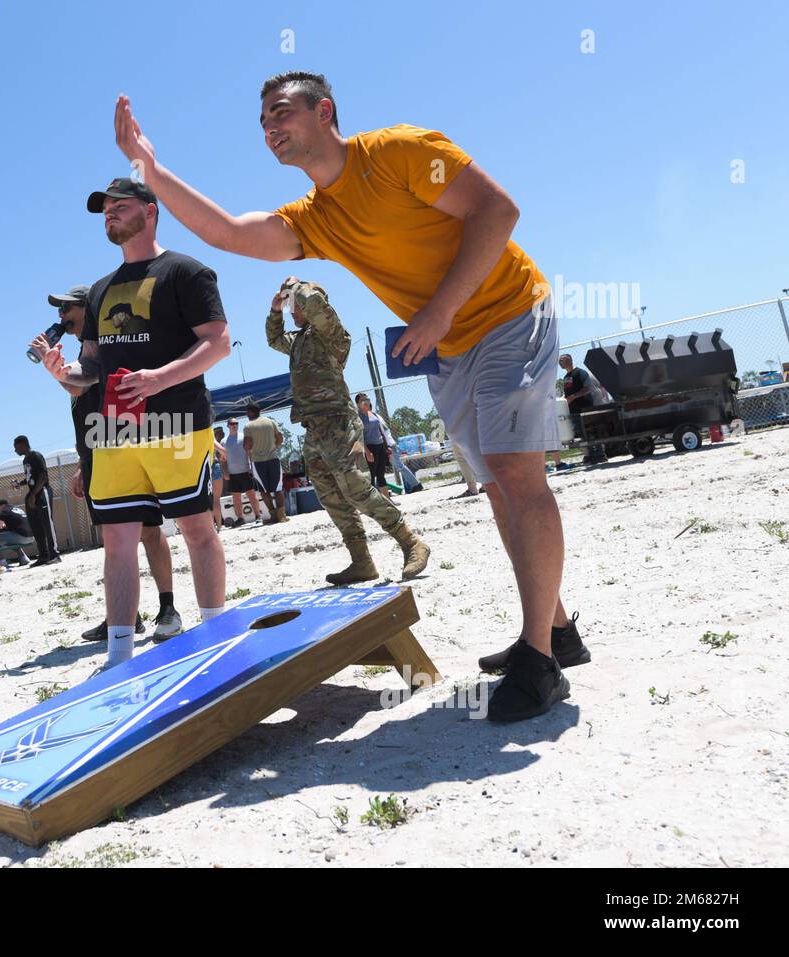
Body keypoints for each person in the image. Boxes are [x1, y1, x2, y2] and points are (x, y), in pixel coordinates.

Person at [113, 74, 584, 721]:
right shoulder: (318, 220)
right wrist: (150, 168)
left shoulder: (398, 152)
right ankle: (556, 630)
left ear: (324, 111)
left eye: (281, 112)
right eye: (261, 122)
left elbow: (498, 210)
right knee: (500, 486)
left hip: (506, 313)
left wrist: (440, 310)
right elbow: (227, 232)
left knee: (515, 473)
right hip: (446, 346)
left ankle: (539, 662)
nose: (269, 127)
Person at [36, 177, 230, 669]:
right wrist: (65, 373)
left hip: (179, 423)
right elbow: (93, 366)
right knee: (118, 540)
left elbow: (218, 344)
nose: (110, 214)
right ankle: (119, 655)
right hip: (115, 432)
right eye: (104, 209)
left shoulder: (186, 271)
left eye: (120, 206)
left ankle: (215, 637)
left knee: (196, 527)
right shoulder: (100, 290)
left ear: (151, 210)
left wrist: (159, 378)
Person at [32, 283, 184, 641]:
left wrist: (54, 369)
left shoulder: (109, 345)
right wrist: (84, 464)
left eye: (66, 309)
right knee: (115, 538)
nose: (60, 317)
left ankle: (167, 607)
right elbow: (77, 390)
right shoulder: (84, 353)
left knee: (148, 530)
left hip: (123, 449)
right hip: (97, 454)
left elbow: (81, 386)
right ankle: (124, 617)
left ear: (89, 308)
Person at [265, 279, 431, 581]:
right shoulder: (299, 341)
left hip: (339, 424)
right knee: (331, 496)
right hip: (313, 428)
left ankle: (411, 542)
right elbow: (274, 339)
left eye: (294, 306)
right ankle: (361, 562)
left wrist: (299, 285)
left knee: (356, 489)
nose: (292, 311)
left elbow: (316, 305)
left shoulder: (331, 333)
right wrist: (275, 310)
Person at [11, 436, 61, 566]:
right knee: (36, 526)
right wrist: (20, 484)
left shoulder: (36, 456)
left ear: (23, 444)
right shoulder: (26, 460)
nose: (15, 450)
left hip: (42, 492)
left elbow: (43, 477)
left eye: (16, 447)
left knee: (47, 524)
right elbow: (30, 477)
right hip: (33, 494)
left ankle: (55, 554)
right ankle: (44, 556)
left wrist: (33, 494)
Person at [559, 352, 609, 465]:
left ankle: (601, 455)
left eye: (561, 360)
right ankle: (590, 455)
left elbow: (588, 388)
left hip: (585, 407)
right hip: (573, 410)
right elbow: (567, 393)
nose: (560, 363)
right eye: (559, 361)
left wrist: (574, 396)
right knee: (581, 433)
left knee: (592, 431)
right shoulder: (566, 377)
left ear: (569, 360)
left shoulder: (580, 373)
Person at [242, 403, 288, 523]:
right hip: (273, 459)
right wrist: (273, 447)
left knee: (264, 491)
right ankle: (281, 516)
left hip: (258, 462)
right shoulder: (270, 421)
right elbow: (280, 439)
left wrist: (253, 449)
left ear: (250, 412)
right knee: (278, 489)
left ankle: (273, 515)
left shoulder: (248, 426)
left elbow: (246, 445)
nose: (246, 415)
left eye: (247, 412)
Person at [222, 417, 263, 527]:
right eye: (232, 424)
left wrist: (251, 467)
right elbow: (223, 459)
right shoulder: (223, 441)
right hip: (232, 474)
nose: (234, 425)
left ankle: (258, 516)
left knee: (251, 495)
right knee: (236, 497)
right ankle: (240, 518)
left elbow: (250, 453)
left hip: (245, 471)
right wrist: (225, 471)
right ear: (228, 425)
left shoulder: (243, 437)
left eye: (236, 423)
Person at [355, 393, 394, 500]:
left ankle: (388, 500)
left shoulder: (374, 415)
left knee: (381, 475)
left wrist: (387, 447)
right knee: (371, 476)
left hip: (380, 446)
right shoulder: (358, 418)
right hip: (370, 448)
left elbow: (381, 431)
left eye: (367, 399)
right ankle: (372, 502)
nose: (366, 401)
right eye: (363, 400)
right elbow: (360, 437)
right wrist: (367, 452)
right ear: (358, 403)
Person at [0, 499, 34, 566]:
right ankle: (24, 558)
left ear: (3, 505)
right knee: (10, 540)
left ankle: (2, 563)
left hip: (22, 537)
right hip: (31, 537)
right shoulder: (16, 509)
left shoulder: (4, 511)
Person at [211, 426, 228, 530]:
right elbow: (222, 450)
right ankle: (219, 526)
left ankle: (211, 526)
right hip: (214, 465)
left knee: (206, 501)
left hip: (201, 468)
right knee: (216, 500)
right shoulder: (208, 435)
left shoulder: (192, 437)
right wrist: (222, 456)